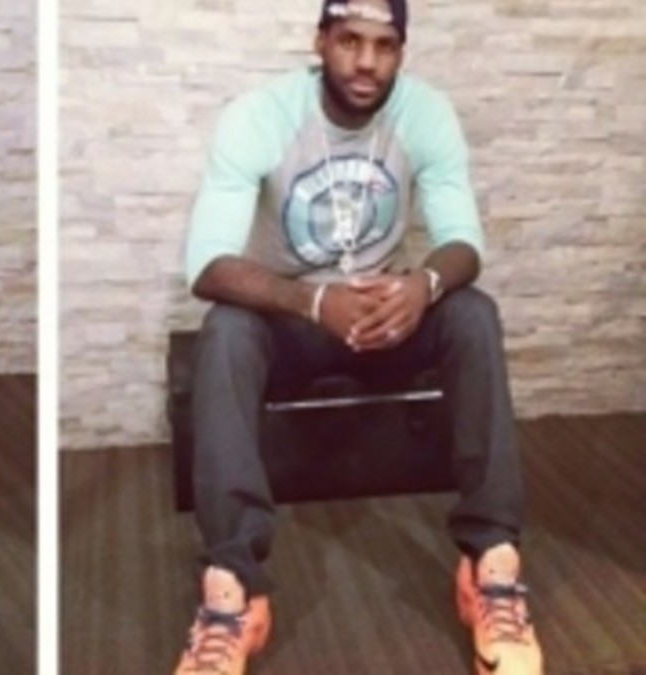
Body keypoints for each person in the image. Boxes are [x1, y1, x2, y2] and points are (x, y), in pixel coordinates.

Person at [175, 1, 543, 673]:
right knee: (224, 331)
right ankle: (233, 592)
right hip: (296, 319)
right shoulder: (260, 116)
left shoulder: (426, 114)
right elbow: (207, 265)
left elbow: (464, 242)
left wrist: (422, 286)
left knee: (472, 313)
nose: (366, 62)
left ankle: (491, 566)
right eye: (349, 41)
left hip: (386, 312)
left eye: (384, 45)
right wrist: (315, 301)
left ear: (401, 51)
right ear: (320, 41)